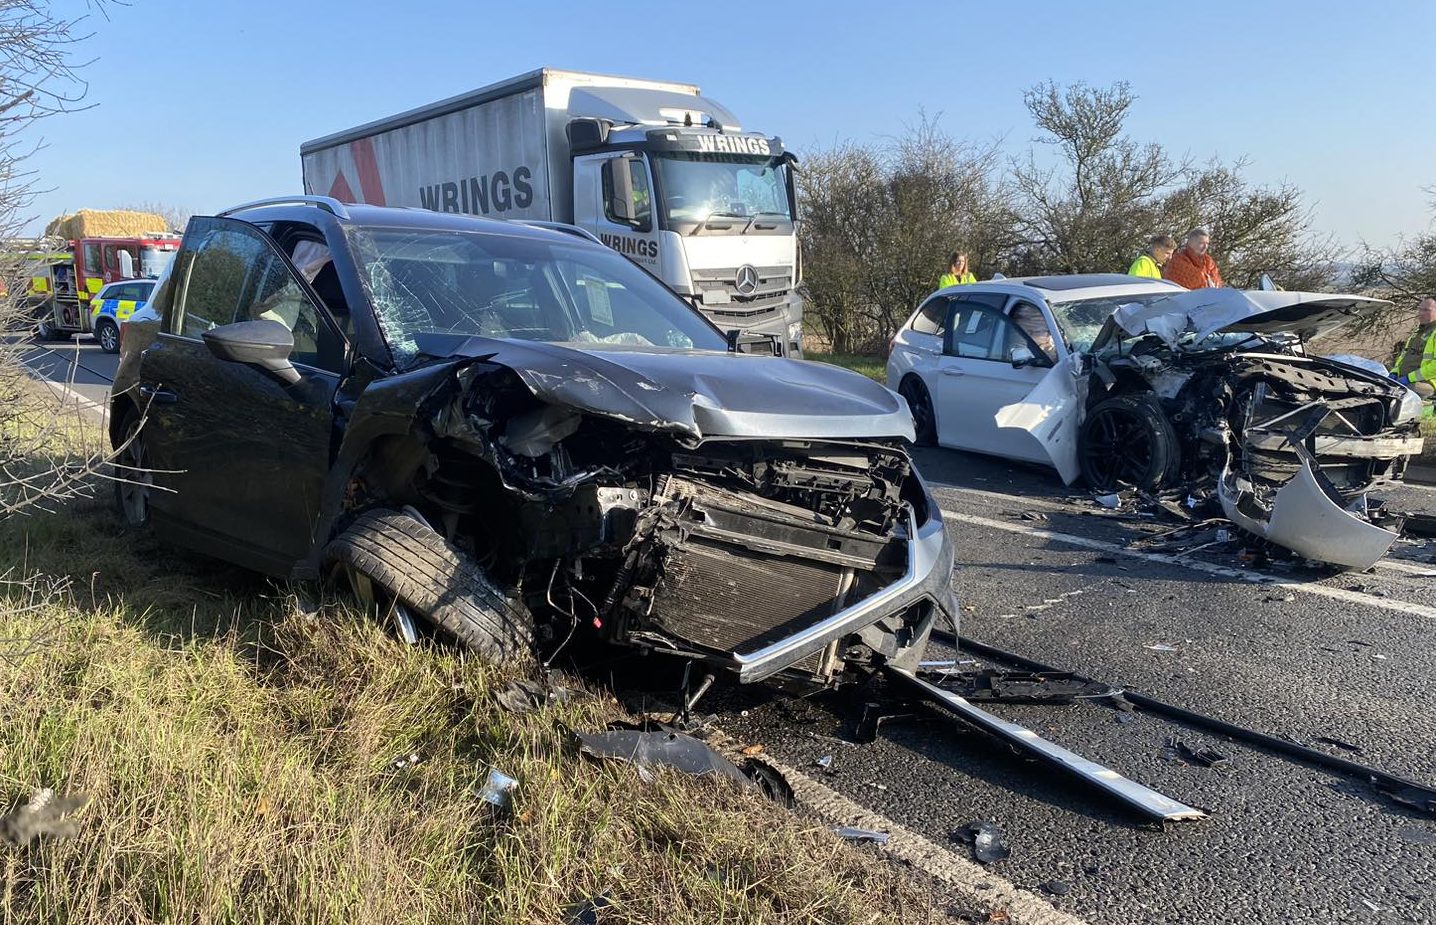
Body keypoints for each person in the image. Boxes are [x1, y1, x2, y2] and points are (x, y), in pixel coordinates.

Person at [1389, 296, 1436, 398]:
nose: (1421, 313)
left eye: (1426, 310)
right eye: (1420, 309)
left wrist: (1409, 378)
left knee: (1397, 394)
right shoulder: (1417, 332)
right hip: (1406, 379)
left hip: (1428, 383)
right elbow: (1403, 357)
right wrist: (1394, 372)